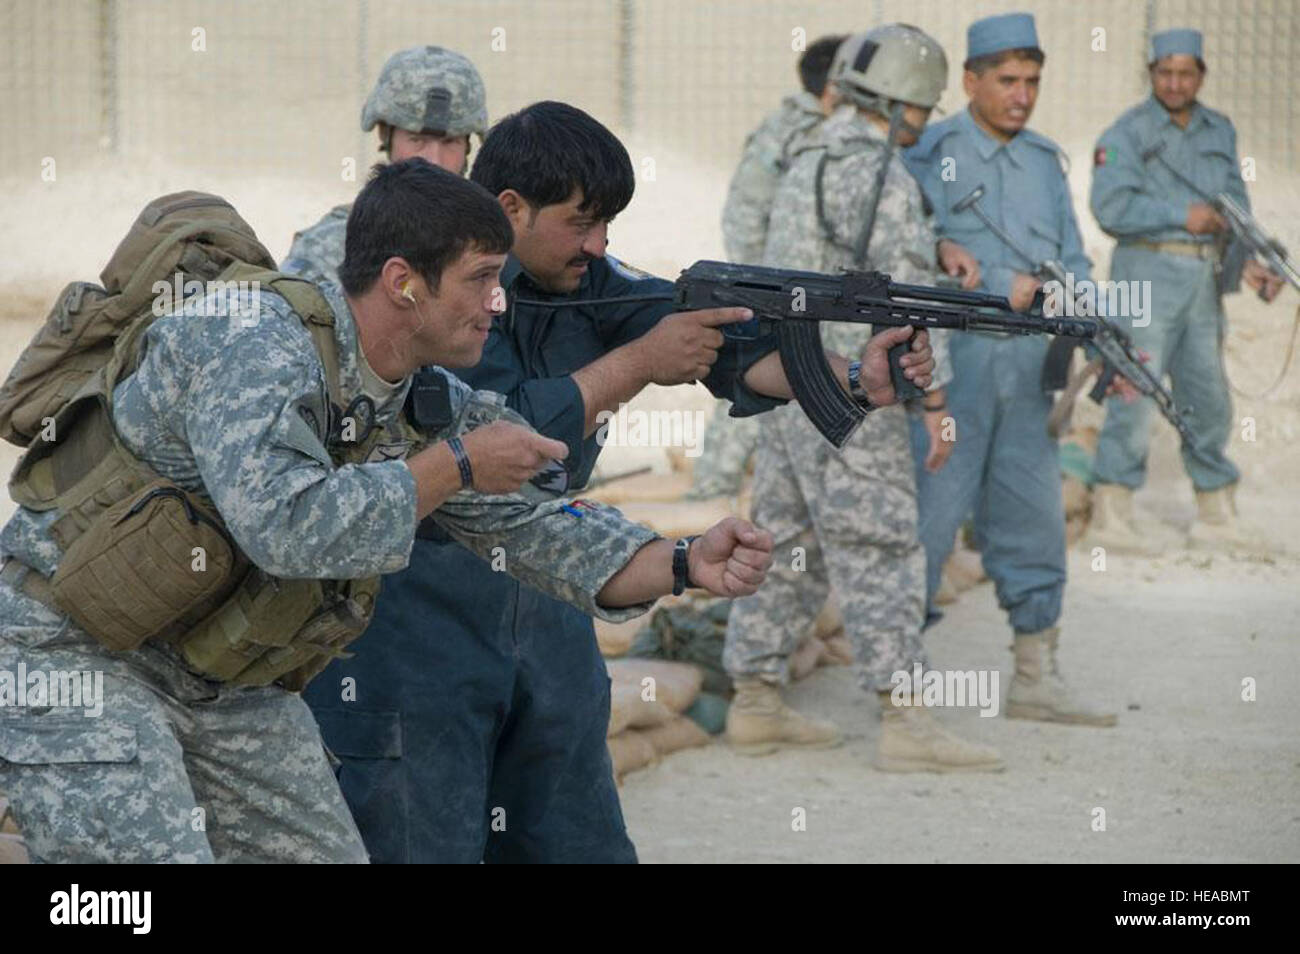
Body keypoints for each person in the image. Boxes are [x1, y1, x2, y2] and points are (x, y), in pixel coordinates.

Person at [0, 160, 777, 863]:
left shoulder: (422, 399)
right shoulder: (256, 344)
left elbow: (532, 525)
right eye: (479, 279)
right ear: (404, 282)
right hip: (73, 655)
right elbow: (287, 527)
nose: (497, 301)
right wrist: (455, 465)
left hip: (216, 677)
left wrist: (682, 560)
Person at [303, 102, 936, 861]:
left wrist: (855, 378)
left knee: (576, 830)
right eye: (581, 223)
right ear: (512, 209)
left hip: (550, 575)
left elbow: (733, 349)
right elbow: (498, 435)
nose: (598, 243)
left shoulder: (591, 280)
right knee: (422, 832)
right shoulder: (436, 288)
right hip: (417, 594)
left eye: (607, 224)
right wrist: (637, 364)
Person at [720, 24, 1000, 773]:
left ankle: (755, 699)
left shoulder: (805, 152)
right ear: (904, 102)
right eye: (923, 108)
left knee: (785, 541)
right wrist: (934, 402)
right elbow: (907, 303)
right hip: (851, 388)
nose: (923, 123)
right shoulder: (879, 172)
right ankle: (905, 720)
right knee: (880, 544)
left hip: (786, 383)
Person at [903, 11, 1117, 727]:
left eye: (1032, 82)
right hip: (950, 372)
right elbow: (908, 248)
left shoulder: (1045, 162)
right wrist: (997, 280)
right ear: (970, 81)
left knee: (1034, 522)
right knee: (927, 526)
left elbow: (1073, 257)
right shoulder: (930, 151)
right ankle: (902, 693)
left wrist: (1093, 320)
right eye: (1007, 81)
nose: (1022, 96)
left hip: (1029, 372)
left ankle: (1035, 676)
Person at [1087, 28, 1284, 554]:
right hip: (1143, 275)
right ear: (1151, 74)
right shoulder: (1126, 132)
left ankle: (1215, 511)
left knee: (1207, 395)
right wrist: (1181, 214)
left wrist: (1251, 264)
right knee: (1134, 390)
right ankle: (1111, 513)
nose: (1175, 84)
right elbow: (1109, 207)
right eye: (1165, 73)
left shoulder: (1219, 130)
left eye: (1185, 73)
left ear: (1201, 75)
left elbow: (1235, 210)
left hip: (1202, 282)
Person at [691, 33, 848, 501]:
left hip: (785, 276)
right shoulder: (800, 133)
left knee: (776, 373)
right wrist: (761, 282)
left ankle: (725, 483)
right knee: (759, 367)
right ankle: (713, 488)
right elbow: (747, 210)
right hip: (775, 279)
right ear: (833, 87)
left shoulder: (801, 127)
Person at [282, 45, 488, 286]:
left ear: (467, 147)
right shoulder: (330, 249)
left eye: (450, 142)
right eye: (417, 140)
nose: (434, 160)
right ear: (385, 135)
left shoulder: (493, 247)